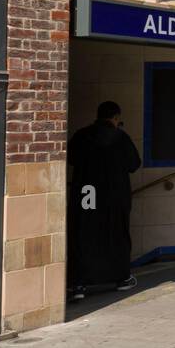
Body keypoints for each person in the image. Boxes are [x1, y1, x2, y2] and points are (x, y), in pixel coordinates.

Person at [67, 101, 142, 300]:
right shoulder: (121, 138)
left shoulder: (82, 136)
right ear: (116, 118)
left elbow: (71, 159)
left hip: (87, 193)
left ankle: (79, 284)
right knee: (117, 232)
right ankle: (121, 278)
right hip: (114, 195)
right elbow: (134, 164)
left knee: (84, 233)